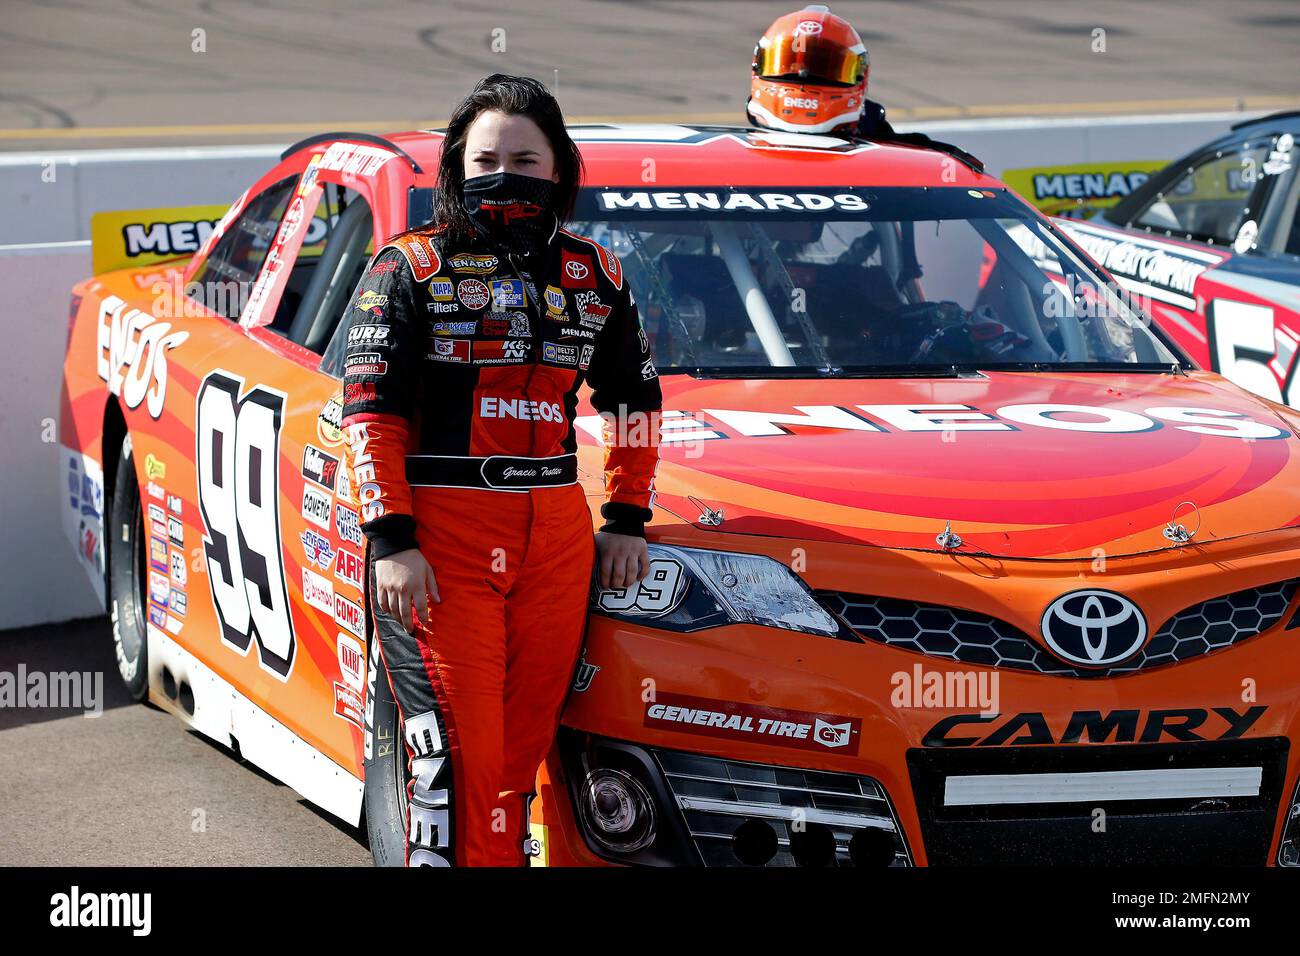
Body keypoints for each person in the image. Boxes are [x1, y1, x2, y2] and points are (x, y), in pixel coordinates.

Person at [339, 73, 662, 866]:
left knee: (519, 763)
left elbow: (635, 401)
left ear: (559, 169)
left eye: (524, 156)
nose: (505, 173)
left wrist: (625, 519)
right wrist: (391, 539)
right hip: (442, 540)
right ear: (455, 166)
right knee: (457, 763)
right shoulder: (407, 267)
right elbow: (369, 412)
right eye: (485, 157)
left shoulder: (598, 274)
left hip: (556, 537)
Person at [746, 4, 983, 171]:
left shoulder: (900, 150)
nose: (803, 75)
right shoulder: (912, 156)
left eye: (825, 67)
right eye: (790, 65)